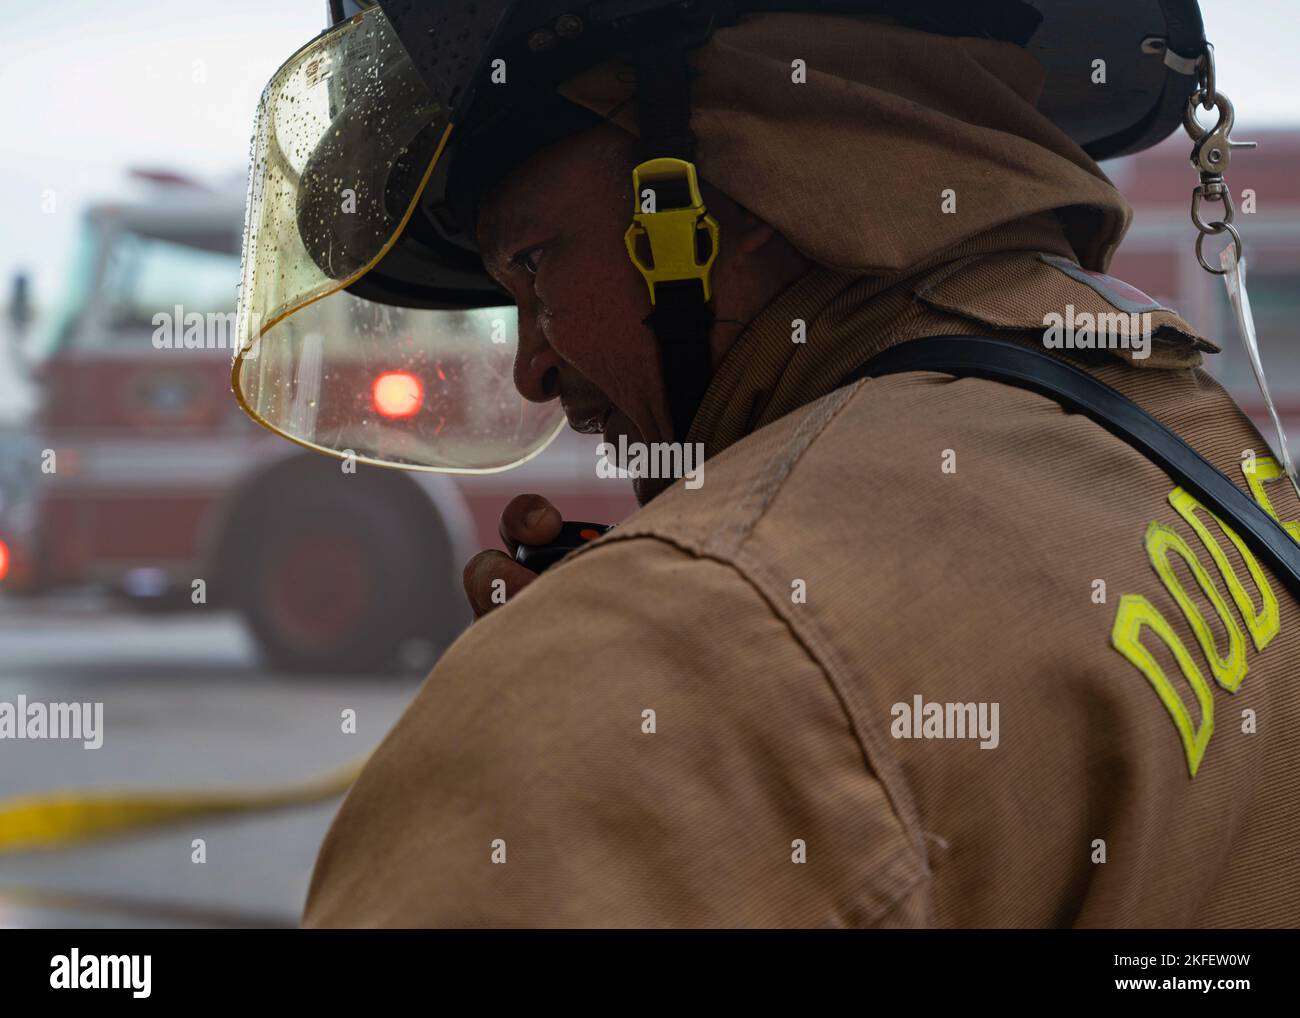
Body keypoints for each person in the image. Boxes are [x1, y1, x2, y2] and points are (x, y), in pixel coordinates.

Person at [235, 2, 1300, 926]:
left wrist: (616, 675)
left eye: (532, 262)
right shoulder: (1175, 422)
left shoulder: (674, 669)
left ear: (725, 199)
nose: (531, 368)